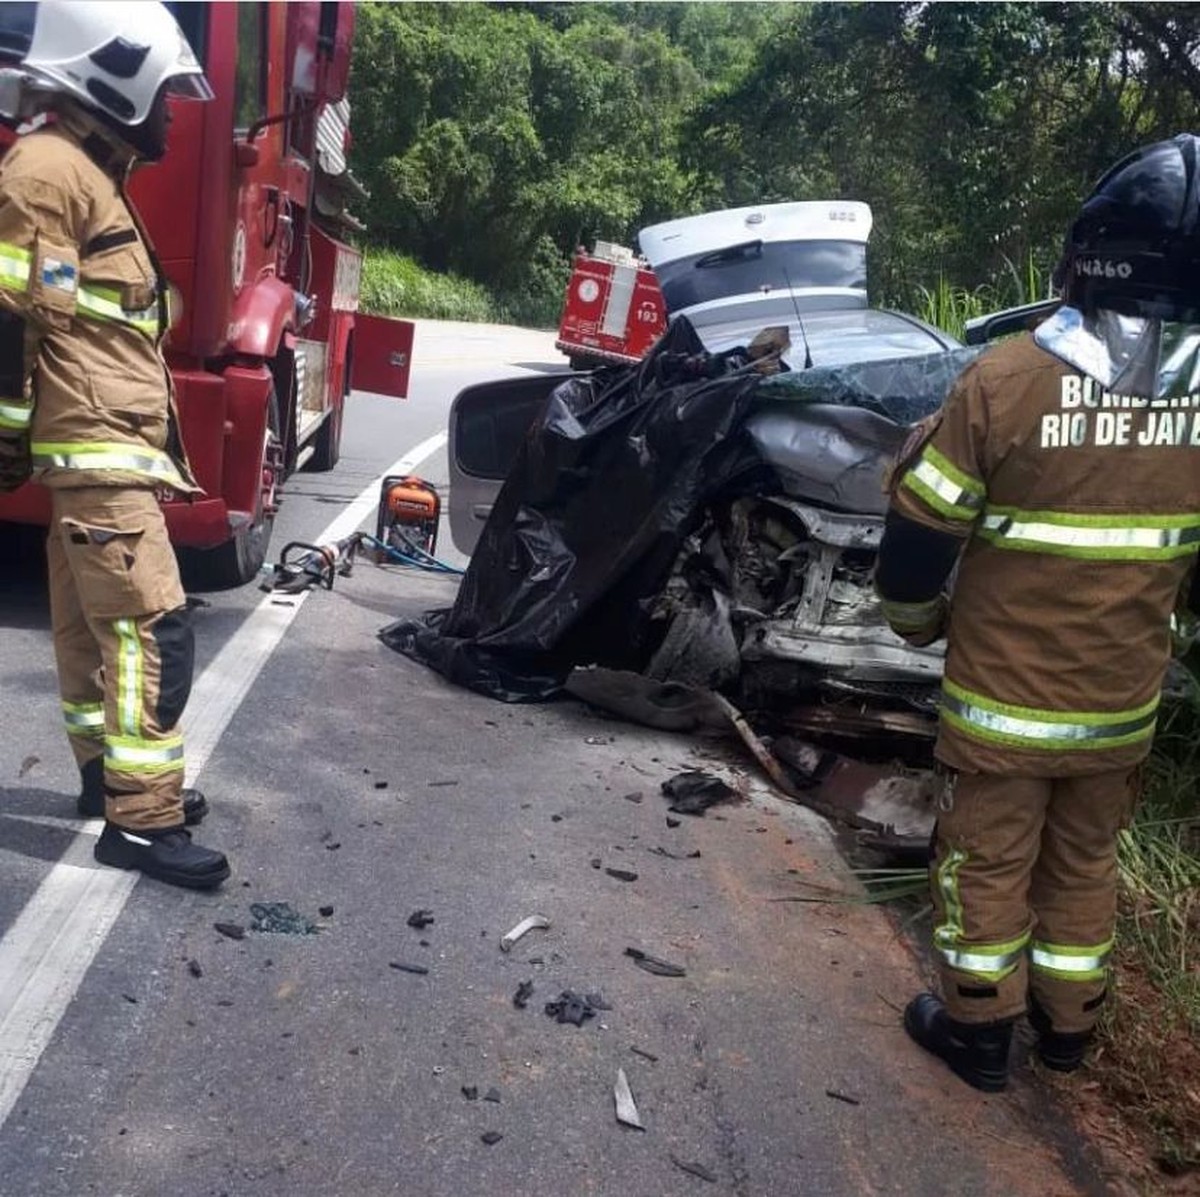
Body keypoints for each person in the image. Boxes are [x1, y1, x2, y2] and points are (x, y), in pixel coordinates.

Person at [875, 133, 1200, 1092]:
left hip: (1004, 712)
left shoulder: (1009, 381)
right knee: (1084, 866)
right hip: (1121, 715)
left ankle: (978, 1031)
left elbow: (917, 543)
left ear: (1087, 256)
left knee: (985, 866)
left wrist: (911, 624)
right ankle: (1069, 1032)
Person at [0, 1, 228, 889]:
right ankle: (142, 822)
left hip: (101, 448)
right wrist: (9, 442)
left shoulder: (82, 172)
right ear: (111, 76)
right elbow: (10, 323)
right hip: (96, 451)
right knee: (152, 629)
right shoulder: (50, 172)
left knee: (92, 631)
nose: (172, 114)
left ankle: (109, 782)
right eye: (164, 95)